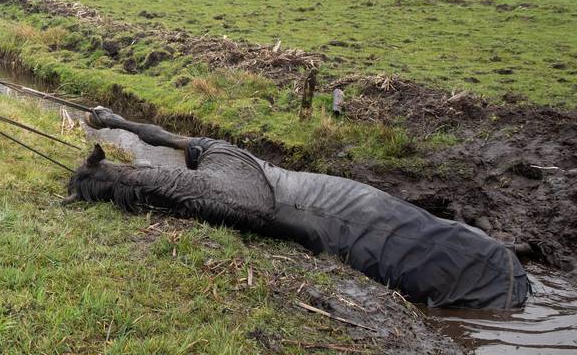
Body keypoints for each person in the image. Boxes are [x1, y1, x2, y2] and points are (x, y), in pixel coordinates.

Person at [67, 107, 531, 310]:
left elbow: (167, 173)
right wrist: (115, 124)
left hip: (481, 278)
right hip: (476, 254)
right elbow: (163, 140)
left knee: (411, 244)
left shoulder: (232, 173)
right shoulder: (229, 156)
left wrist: (101, 175)